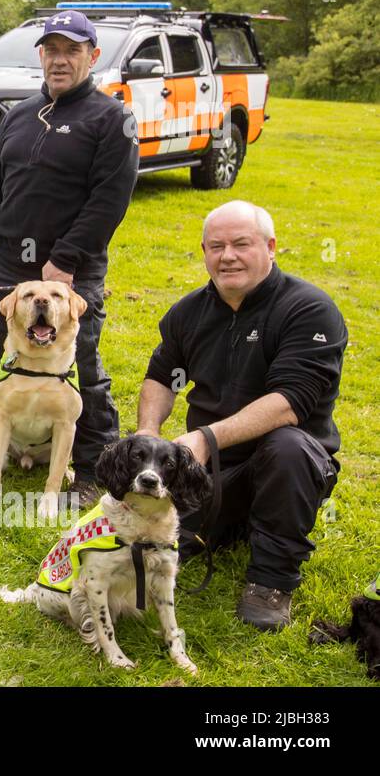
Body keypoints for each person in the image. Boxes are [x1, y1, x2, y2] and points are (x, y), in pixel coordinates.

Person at [0, 9, 139, 506]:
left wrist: (66, 259)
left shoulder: (111, 119)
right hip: (7, 264)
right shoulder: (18, 115)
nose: (60, 60)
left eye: (72, 50)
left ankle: (94, 464)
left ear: (92, 56)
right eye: (52, 50)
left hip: (70, 270)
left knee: (79, 363)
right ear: (40, 54)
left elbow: (109, 199)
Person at [138, 201, 347, 630]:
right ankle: (225, 526)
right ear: (204, 251)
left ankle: (271, 581)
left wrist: (205, 438)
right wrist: (147, 435)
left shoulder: (309, 309)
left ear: (270, 247)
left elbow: (291, 400)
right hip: (210, 473)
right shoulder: (188, 312)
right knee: (154, 543)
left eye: (241, 244)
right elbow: (163, 377)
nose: (227, 255)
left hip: (289, 467)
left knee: (287, 447)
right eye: (216, 246)